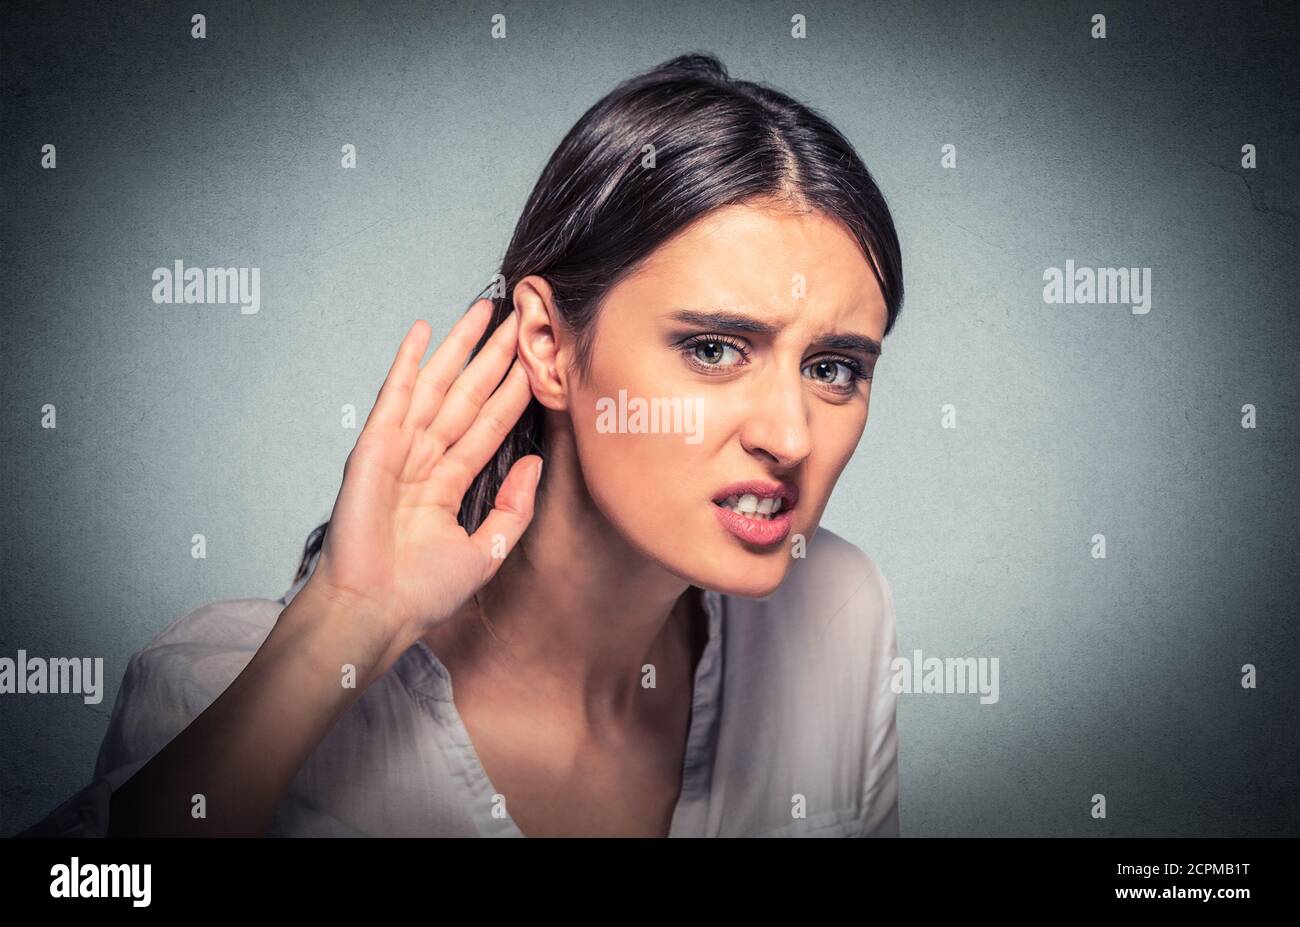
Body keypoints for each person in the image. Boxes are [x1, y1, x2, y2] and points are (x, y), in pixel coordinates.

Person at [18, 52, 904, 838]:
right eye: (714, 349)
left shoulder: (834, 619)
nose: (789, 435)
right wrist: (342, 623)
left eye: (833, 368)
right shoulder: (222, 691)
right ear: (550, 347)